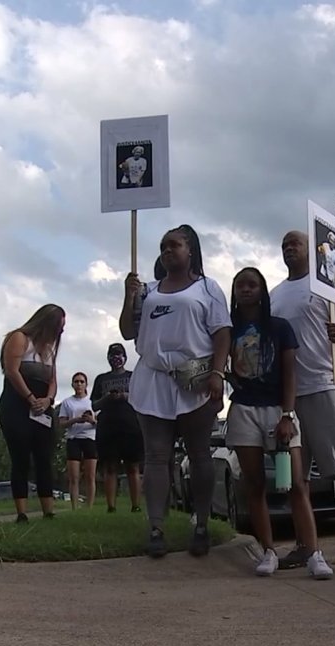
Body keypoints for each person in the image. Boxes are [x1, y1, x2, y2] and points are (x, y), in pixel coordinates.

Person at [118, 224, 230, 558]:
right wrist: (128, 295)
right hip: (153, 379)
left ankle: (202, 524)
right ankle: (156, 527)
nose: (167, 251)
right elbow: (127, 331)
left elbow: (222, 333)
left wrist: (217, 374)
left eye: (174, 245)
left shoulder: (207, 288)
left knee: (199, 453)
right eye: (163, 247)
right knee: (155, 455)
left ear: (190, 250)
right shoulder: (147, 291)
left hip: (195, 380)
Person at [272, 230, 335, 573]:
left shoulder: (326, 288)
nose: (289, 248)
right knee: (294, 476)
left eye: (296, 243)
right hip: (288, 396)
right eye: (285, 244)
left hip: (325, 385)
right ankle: (305, 544)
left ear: (310, 250)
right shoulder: (275, 296)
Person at [227, 267, 333, 578]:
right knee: (255, 484)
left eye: (252, 284)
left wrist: (287, 415)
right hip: (244, 410)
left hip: (277, 410)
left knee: (295, 483)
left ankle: (313, 552)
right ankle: (269, 551)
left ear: (262, 290)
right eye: (240, 285)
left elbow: (290, 374)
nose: (246, 290)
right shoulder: (228, 330)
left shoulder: (279, 327)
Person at [0, 304, 64, 523]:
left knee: (44, 457)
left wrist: (48, 399)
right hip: (16, 405)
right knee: (21, 458)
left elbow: (53, 380)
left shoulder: (49, 350)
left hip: (42, 409)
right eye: (58, 327)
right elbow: (12, 371)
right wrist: (29, 397)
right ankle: (22, 512)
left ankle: (48, 510)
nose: (60, 332)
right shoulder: (20, 338)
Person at [91, 344, 143, 513]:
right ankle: (111, 506)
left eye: (119, 355)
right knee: (110, 467)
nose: (116, 358)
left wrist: (123, 395)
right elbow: (94, 405)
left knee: (133, 467)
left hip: (131, 426)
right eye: (113, 355)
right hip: (107, 428)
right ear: (108, 358)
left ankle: (136, 505)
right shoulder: (101, 379)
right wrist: (107, 398)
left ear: (125, 357)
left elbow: (141, 397)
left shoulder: (133, 376)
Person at [58, 372, 97, 508]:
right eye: (76, 382)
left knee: (90, 476)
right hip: (73, 439)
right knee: (74, 477)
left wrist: (91, 420)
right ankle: (74, 507)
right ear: (72, 384)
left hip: (90, 438)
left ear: (86, 384)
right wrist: (76, 420)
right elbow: (62, 423)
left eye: (81, 382)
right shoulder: (67, 402)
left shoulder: (92, 402)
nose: (79, 384)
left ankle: (90, 507)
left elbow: (101, 424)